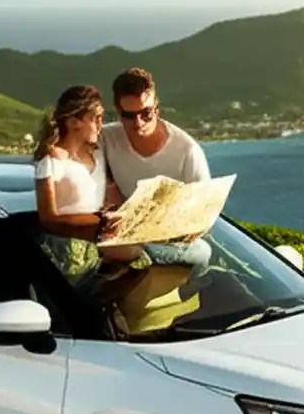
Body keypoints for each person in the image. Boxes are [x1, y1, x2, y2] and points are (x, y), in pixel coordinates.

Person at [98, 67, 213, 272]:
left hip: (174, 242)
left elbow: (204, 218)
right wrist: (108, 187)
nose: (138, 123)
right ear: (118, 112)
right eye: (129, 116)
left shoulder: (187, 151)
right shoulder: (106, 139)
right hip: (123, 237)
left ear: (157, 108)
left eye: (146, 113)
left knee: (203, 251)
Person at [31, 85, 143, 280]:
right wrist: (101, 221)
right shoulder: (52, 161)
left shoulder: (98, 156)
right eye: (95, 119)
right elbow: (48, 219)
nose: (101, 125)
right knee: (153, 254)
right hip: (73, 251)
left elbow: (112, 199)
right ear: (75, 123)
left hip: (107, 240)